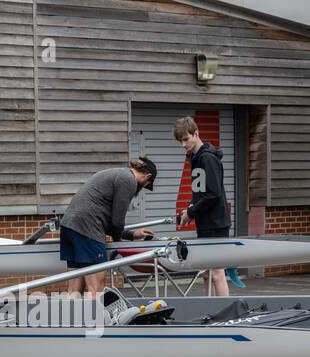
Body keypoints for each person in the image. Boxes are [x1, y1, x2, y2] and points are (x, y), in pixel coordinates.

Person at [58, 158, 157, 299]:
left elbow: (108, 222)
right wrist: (119, 242)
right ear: (147, 176)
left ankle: (73, 319)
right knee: (97, 285)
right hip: (87, 228)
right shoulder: (128, 180)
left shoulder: (118, 173)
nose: (141, 188)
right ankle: (95, 319)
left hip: (69, 225)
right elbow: (117, 221)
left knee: (75, 285)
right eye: (146, 185)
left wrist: (131, 234)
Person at [173, 116, 233, 296]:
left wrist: (191, 211)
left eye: (185, 139)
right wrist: (190, 209)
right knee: (207, 273)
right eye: (180, 141)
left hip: (216, 224)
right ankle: (212, 310)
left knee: (216, 273)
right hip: (206, 222)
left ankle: (226, 315)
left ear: (196, 133)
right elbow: (199, 192)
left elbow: (213, 195)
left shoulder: (207, 158)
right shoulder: (196, 158)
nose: (183, 144)